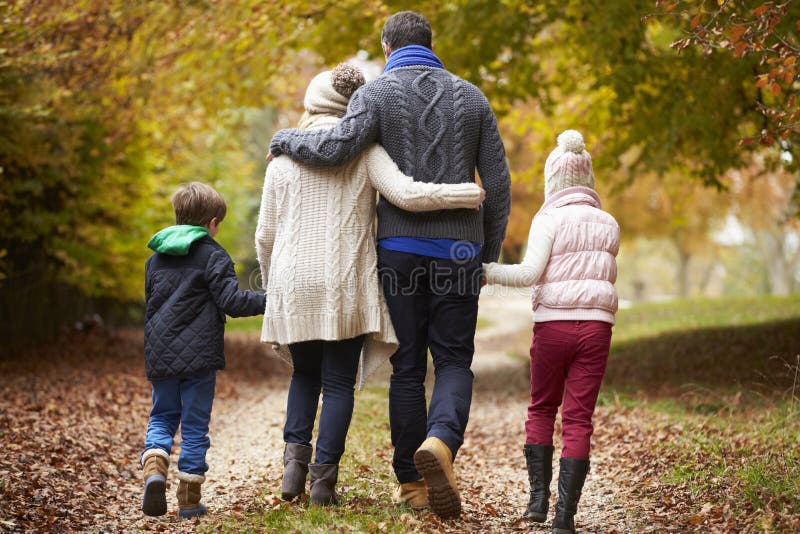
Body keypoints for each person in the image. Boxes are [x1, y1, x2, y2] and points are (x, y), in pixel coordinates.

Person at [268, 11, 511, 519]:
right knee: (453, 361)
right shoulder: (472, 97)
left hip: (399, 250)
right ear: (431, 44)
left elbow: (335, 149)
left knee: (407, 366)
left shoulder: (373, 95)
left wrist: (284, 140)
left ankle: (411, 484)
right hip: (459, 251)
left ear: (386, 47)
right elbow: (498, 183)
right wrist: (485, 253)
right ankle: (441, 442)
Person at [482, 130, 619, 534]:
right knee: (579, 419)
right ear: (587, 178)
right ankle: (566, 517)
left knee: (542, 408)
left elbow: (528, 273)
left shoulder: (548, 219)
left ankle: (538, 502)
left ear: (553, 179)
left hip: (553, 326)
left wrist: (484, 271)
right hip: (597, 328)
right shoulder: (609, 223)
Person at [140, 182, 266, 518]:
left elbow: (150, 304)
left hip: (160, 352)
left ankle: (154, 464)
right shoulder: (213, 254)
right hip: (199, 356)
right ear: (211, 223)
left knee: (162, 415)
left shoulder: (155, 258)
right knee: (195, 424)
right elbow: (232, 302)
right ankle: (189, 500)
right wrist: (271, 299)